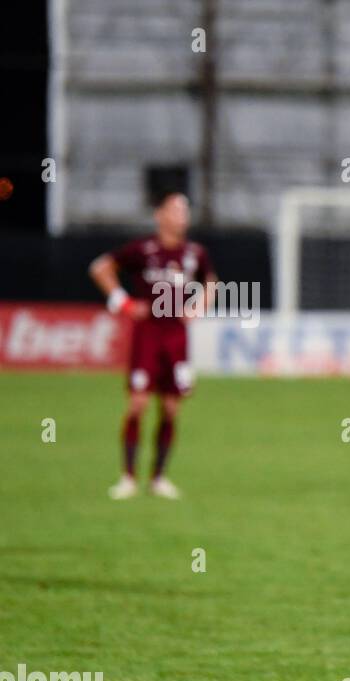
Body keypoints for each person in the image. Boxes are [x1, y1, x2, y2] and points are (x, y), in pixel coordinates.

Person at [89, 192, 213, 499]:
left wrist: (197, 308)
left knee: (171, 409)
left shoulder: (194, 253)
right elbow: (100, 268)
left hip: (176, 337)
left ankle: (158, 478)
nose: (182, 216)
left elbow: (211, 281)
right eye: (175, 210)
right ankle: (128, 477)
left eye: (185, 211)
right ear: (160, 215)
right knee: (138, 404)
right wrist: (124, 303)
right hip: (148, 335)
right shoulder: (142, 250)